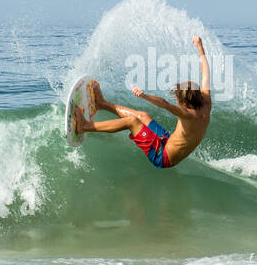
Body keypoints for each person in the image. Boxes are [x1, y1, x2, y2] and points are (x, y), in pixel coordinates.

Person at [74, 36, 212, 169]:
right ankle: (102, 104)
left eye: (177, 98)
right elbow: (205, 74)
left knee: (132, 122)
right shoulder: (206, 102)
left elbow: (164, 104)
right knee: (143, 116)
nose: (176, 100)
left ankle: (85, 126)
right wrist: (200, 48)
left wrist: (144, 96)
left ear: (184, 101)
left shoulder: (187, 113)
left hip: (162, 156)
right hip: (167, 141)